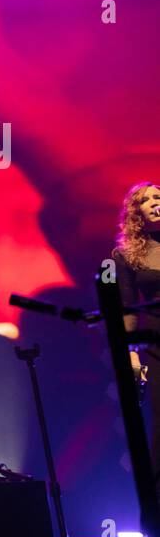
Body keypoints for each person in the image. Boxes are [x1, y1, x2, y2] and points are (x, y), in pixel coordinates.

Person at [110, 181, 160, 479]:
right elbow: (126, 307)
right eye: (148, 199)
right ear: (136, 211)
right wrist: (130, 352)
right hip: (156, 342)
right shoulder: (126, 254)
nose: (156, 202)